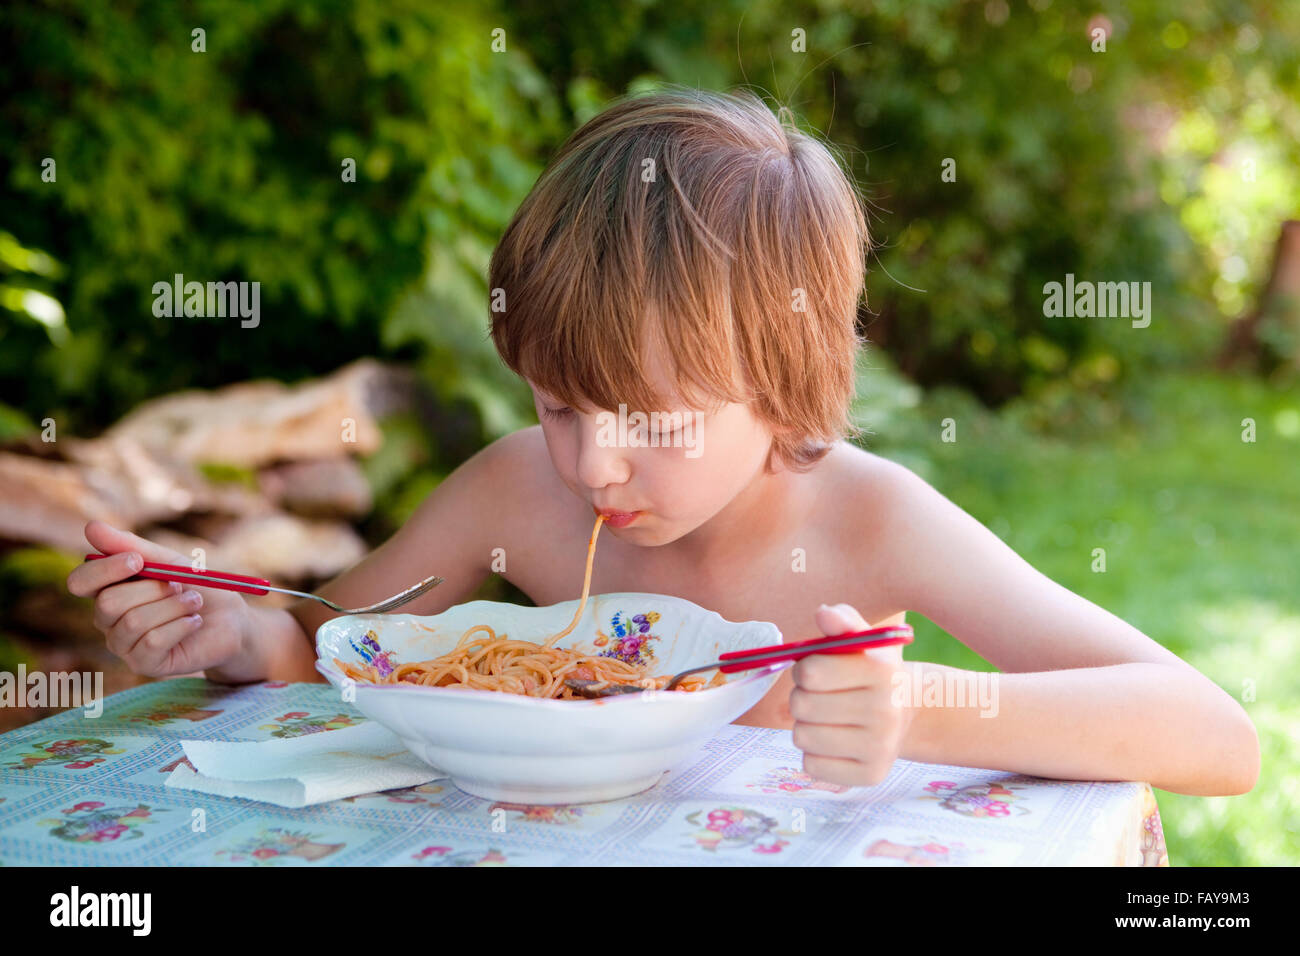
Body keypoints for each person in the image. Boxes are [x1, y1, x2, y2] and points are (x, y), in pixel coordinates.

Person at [67, 89, 1259, 795]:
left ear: (787, 389)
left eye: (652, 419)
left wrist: (917, 708)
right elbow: (336, 644)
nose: (591, 465)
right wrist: (238, 629)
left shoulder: (869, 519)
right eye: (556, 401)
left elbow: (1210, 732)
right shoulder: (512, 489)